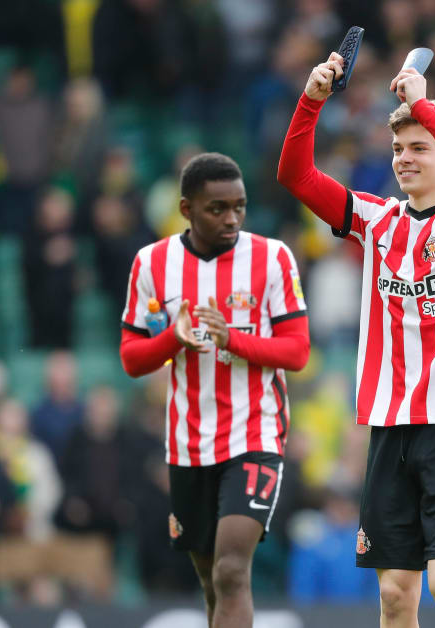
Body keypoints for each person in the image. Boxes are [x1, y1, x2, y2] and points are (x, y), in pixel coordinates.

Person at [278, 51, 435, 628]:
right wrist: (311, 100)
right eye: (398, 148)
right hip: (390, 427)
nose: (404, 158)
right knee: (395, 599)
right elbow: (296, 177)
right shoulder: (376, 219)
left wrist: (424, 105)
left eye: (419, 147)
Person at [119, 152, 310, 628]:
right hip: (188, 443)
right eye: (217, 208)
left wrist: (233, 339)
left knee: (230, 571)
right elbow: (132, 358)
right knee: (209, 582)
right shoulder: (152, 263)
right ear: (186, 209)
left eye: (239, 207)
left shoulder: (272, 258)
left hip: (254, 434)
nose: (231, 219)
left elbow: (297, 351)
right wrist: (172, 339)